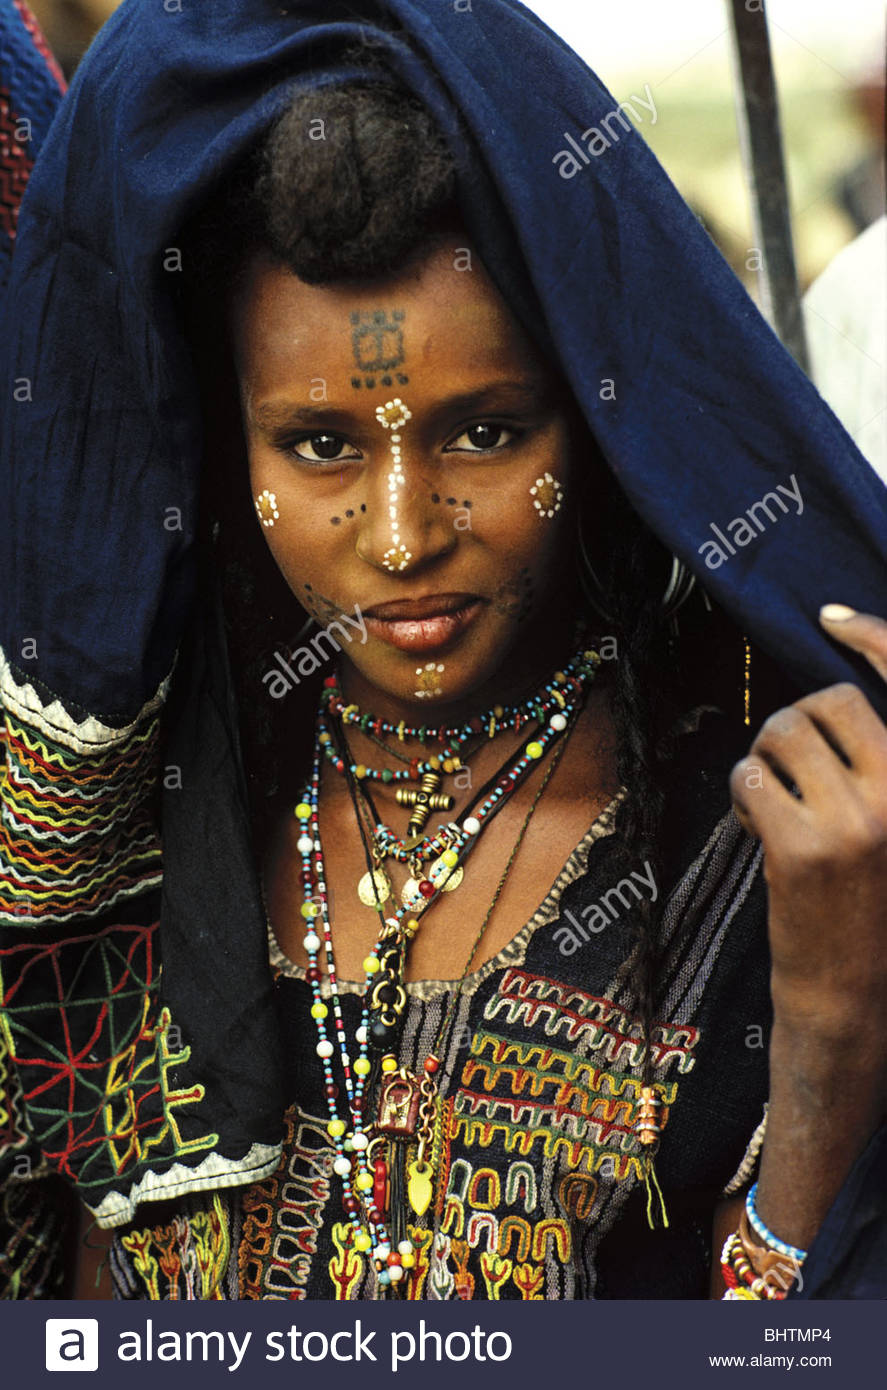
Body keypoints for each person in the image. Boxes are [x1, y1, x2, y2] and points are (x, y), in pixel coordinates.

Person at [1, 1, 885, 1303]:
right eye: (320, 445)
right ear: (217, 448)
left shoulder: (776, 839)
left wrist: (828, 1048)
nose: (406, 536)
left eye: (484, 433)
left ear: (592, 421)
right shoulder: (138, 839)